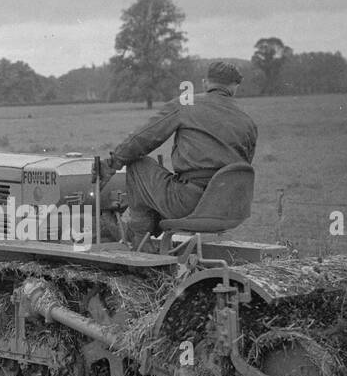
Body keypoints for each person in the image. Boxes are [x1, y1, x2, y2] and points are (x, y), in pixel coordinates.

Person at [98, 61, 258, 247]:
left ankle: (139, 238)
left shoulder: (186, 103)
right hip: (231, 206)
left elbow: (143, 138)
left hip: (189, 204)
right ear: (235, 86)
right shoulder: (247, 119)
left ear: (206, 82)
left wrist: (113, 163)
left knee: (137, 164)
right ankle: (148, 228)